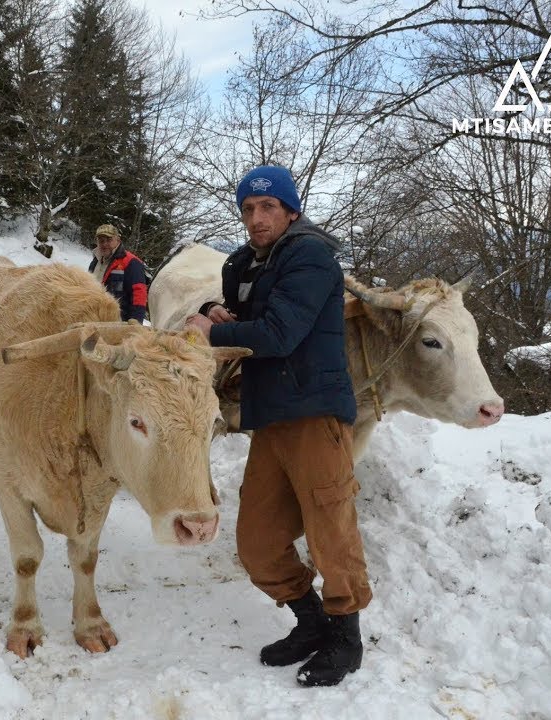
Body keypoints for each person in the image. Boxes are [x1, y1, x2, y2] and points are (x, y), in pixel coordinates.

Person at [185, 165, 366, 688]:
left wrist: (213, 335)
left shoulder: (310, 255)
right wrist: (213, 312)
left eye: (268, 207)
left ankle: (345, 637)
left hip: (314, 413)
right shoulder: (244, 262)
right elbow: (240, 316)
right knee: (258, 541)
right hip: (271, 418)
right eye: (247, 208)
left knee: (332, 530)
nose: (256, 217)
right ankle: (309, 622)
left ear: (291, 211)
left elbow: (280, 332)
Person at [87, 223, 148, 323]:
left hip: (119, 322)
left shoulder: (131, 262)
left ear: (118, 240)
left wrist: (136, 321)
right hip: (95, 319)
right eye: (101, 241)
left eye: (109, 240)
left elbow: (139, 293)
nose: (104, 244)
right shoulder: (94, 263)